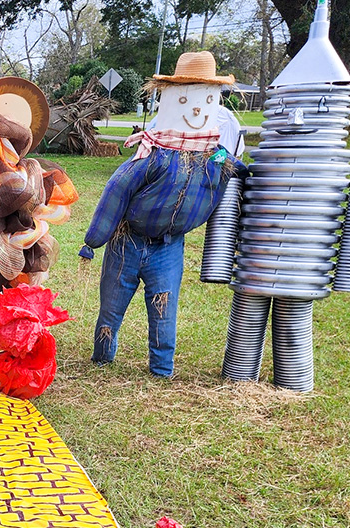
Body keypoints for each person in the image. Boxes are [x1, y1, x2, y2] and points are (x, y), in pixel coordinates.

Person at [79, 52, 246, 378]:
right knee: (112, 305)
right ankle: (102, 355)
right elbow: (118, 190)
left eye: (204, 100)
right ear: (170, 98)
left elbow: (236, 171)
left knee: (164, 307)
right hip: (127, 241)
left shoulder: (214, 158)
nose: (196, 109)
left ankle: (161, 367)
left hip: (169, 247)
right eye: (186, 100)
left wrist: (249, 175)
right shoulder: (151, 155)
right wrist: (94, 240)